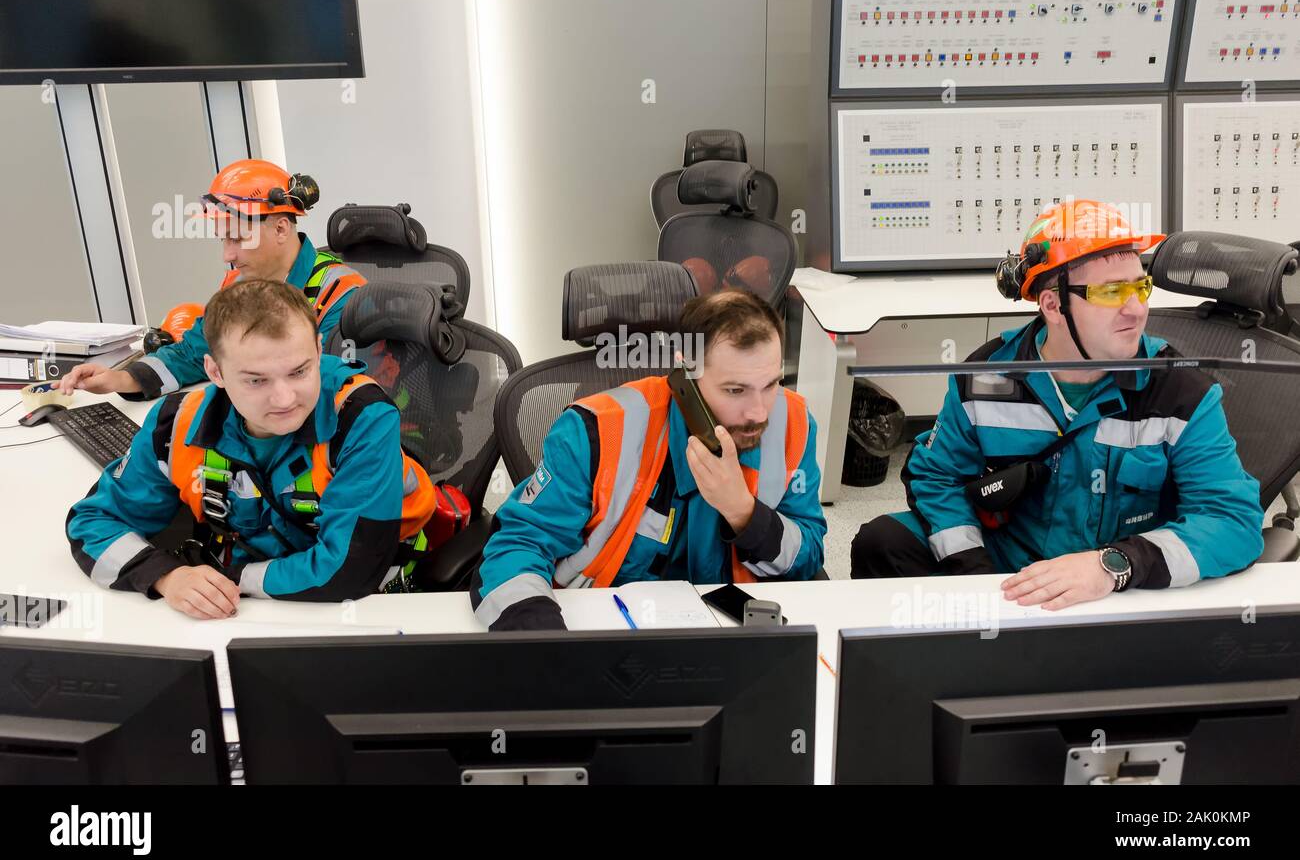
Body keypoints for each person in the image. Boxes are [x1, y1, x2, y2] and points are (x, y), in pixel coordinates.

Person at [851, 198, 1264, 609]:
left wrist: (1113, 566)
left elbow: (1232, 521)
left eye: (1141, 287)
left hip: (1121, 586)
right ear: (1052, 305)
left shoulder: (1181, 393)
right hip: (1010, 569)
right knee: (882, 542)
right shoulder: (985, 377)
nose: (1136, 309)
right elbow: (937, 478)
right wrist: (976, 577)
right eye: (1111, 292)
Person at [66, 280, 436, 618]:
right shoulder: (176, 424)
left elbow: (350, 570)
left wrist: (232, 579)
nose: (284, 398)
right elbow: (92, 523)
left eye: (299, 371)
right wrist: (166, 575)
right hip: (249, 603)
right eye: (256, 380)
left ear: (319, 349)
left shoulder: (361, 418)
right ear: (215, 372)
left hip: (369, 602)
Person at [472, 289, 827, 631]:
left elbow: (808, 554)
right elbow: (518, 544)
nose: (759, 411)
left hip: (730, 638)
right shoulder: (595, 432)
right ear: (685, 371)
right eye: (735, 390)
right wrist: (545, 644)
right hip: (605, 632)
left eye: (771, 384)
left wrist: (743, 513)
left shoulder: (791, 424)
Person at [57, 159, 366, 400]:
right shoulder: (239, 285)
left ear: (281, 229)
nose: (227, 256)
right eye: (223, 240)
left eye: (237, 238)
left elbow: (328, 396)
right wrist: (121, 379)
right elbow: (195, 352)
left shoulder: (340, 296)